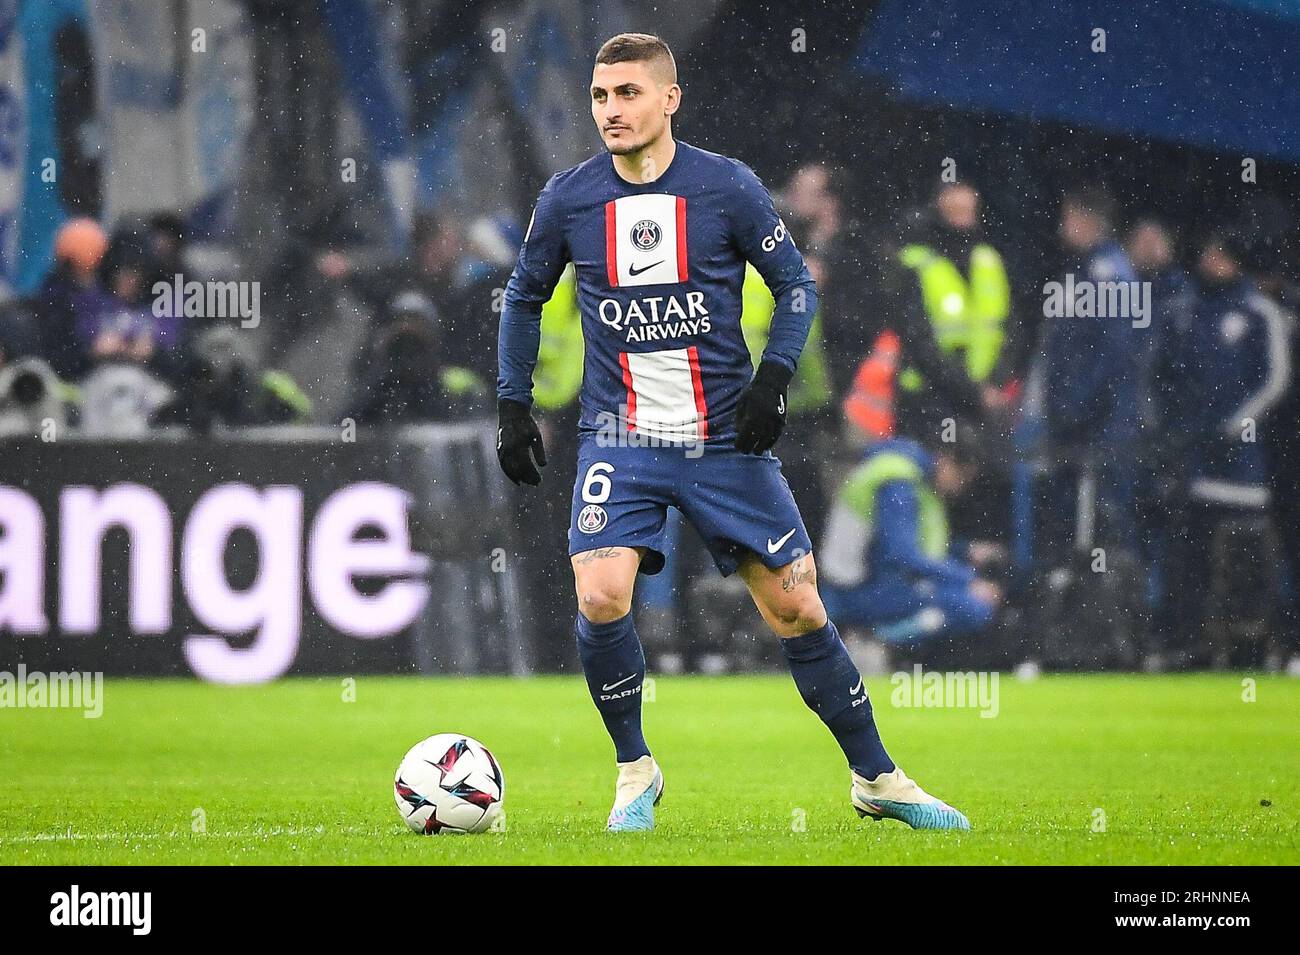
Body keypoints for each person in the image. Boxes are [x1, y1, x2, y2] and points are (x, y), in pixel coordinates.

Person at [495, 33, 969, 832]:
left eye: (629, 94)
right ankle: (633, 768)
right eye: (601, 97)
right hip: (621, 436)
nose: (612, 111)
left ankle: (876, 777)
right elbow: (521, 296)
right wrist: (513, 404)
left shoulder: (727, 187)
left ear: (669, 98)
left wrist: (775, 380)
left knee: (797, 609)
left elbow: (793, 287)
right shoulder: (569, 197)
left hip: (723, 441)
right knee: (603, 592)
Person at [819, 439, 1002, 645]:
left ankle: (872, 640)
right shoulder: (899, 484)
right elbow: (903, 555)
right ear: (946, 461)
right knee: (972, 606)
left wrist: (964, 550)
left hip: (867, 580)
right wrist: (968, 580)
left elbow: (900, 543)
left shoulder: (905, 472)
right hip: (855, 591)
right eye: (962, 477)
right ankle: (875, 641)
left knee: (959, 599)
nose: (960, 488)